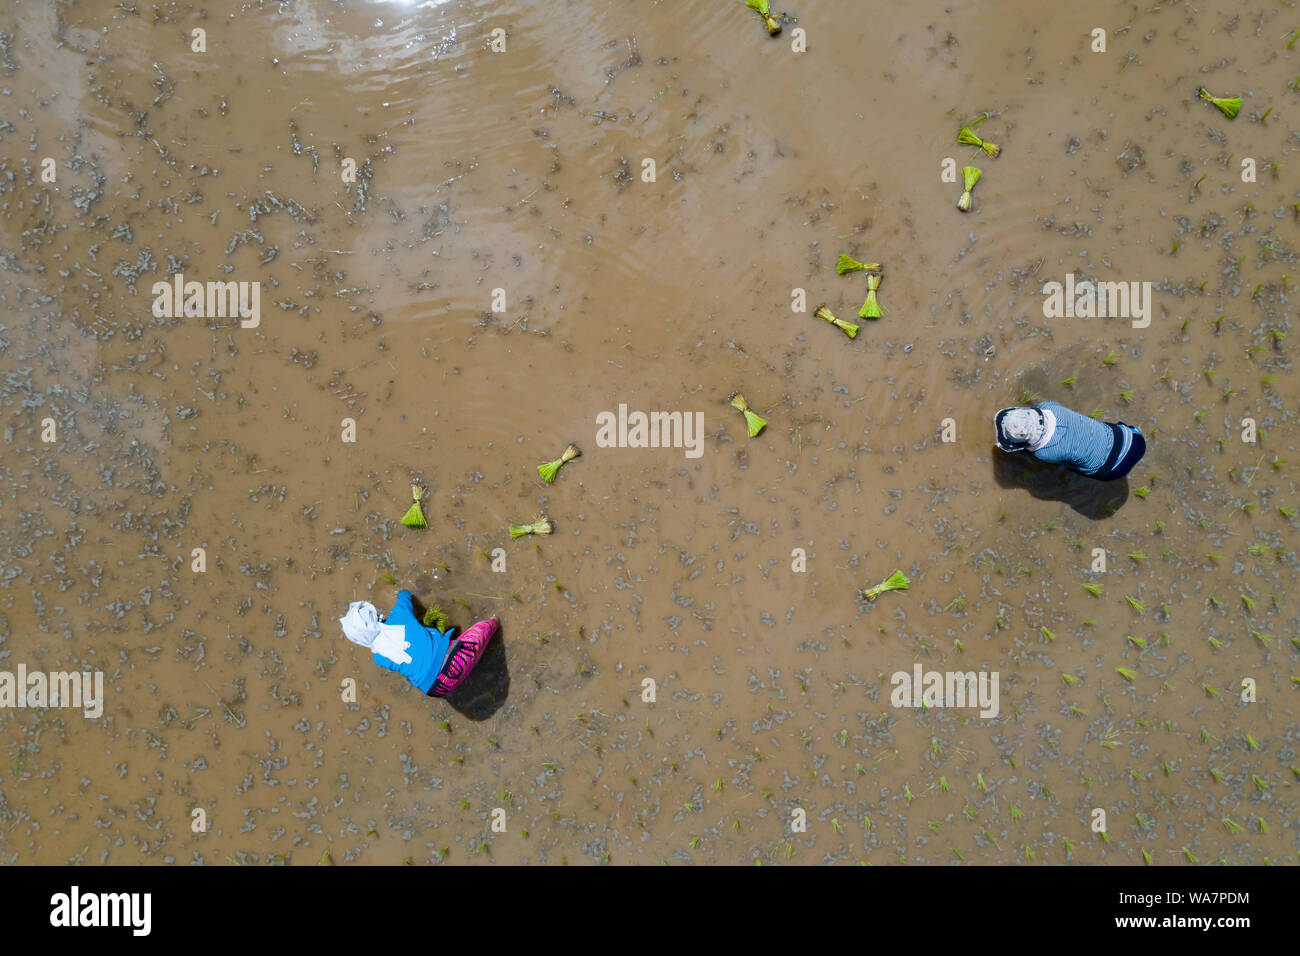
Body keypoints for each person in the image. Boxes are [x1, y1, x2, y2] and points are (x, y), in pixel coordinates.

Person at [340, 589, 497, 697]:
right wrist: (399, 593)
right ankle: (496, 621)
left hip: (436, 689)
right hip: (456, 661)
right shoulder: (399, 615)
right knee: (488, 626)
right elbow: (405, 595)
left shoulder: (378, 658)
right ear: (376, 616)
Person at [994, 400, 1145, 481]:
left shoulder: (1043, 453)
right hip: (1133, 438)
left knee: (1075, 466)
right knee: (1100, 429)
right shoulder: (1048, 406)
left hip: (1113, 470)